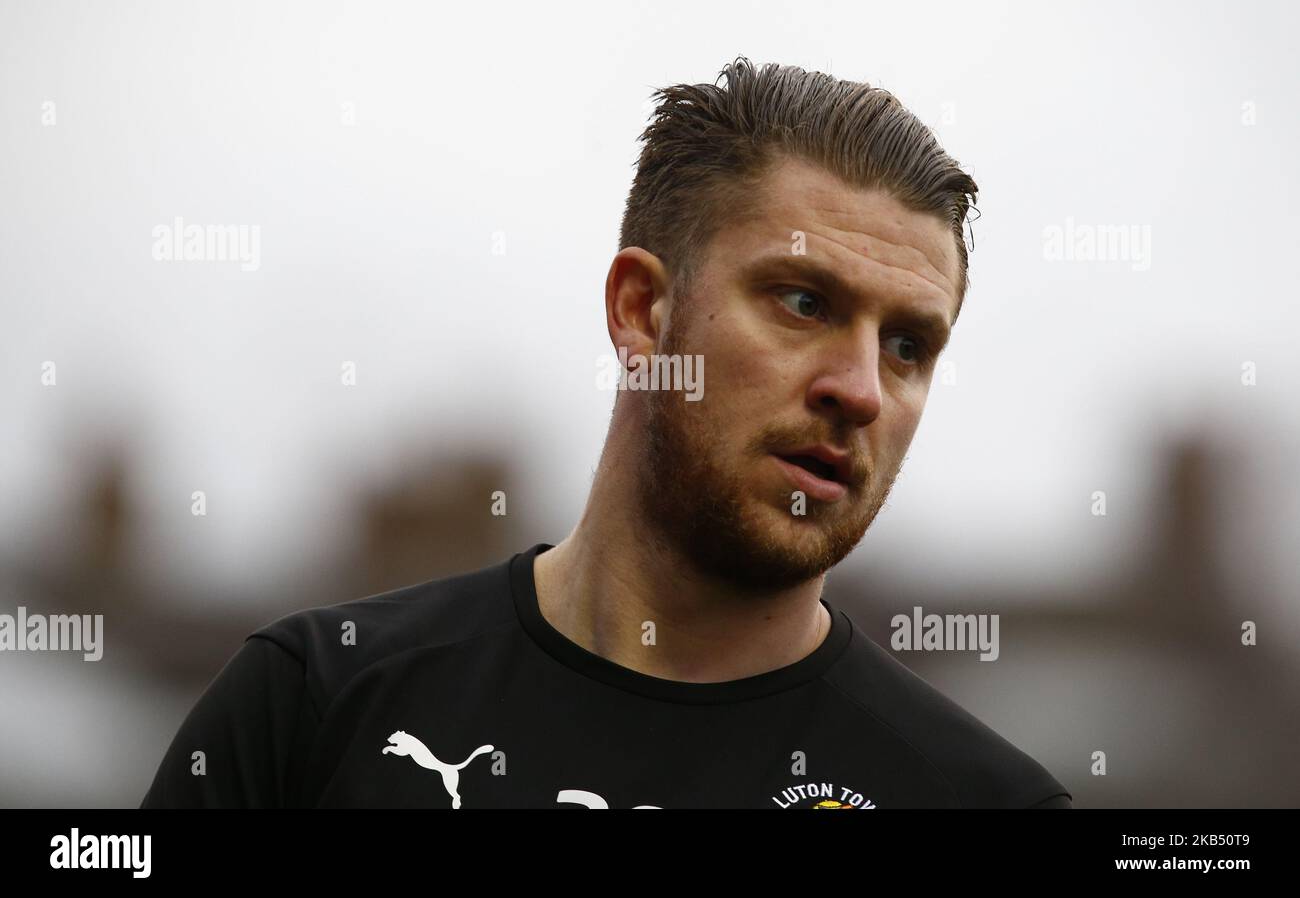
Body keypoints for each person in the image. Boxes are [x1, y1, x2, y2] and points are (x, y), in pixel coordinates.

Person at [141, 57, 1072, 809]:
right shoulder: (315, 708)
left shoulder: (983, 800)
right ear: (641, 311)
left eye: (908, 345)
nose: (861, 390)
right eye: (802, 302)